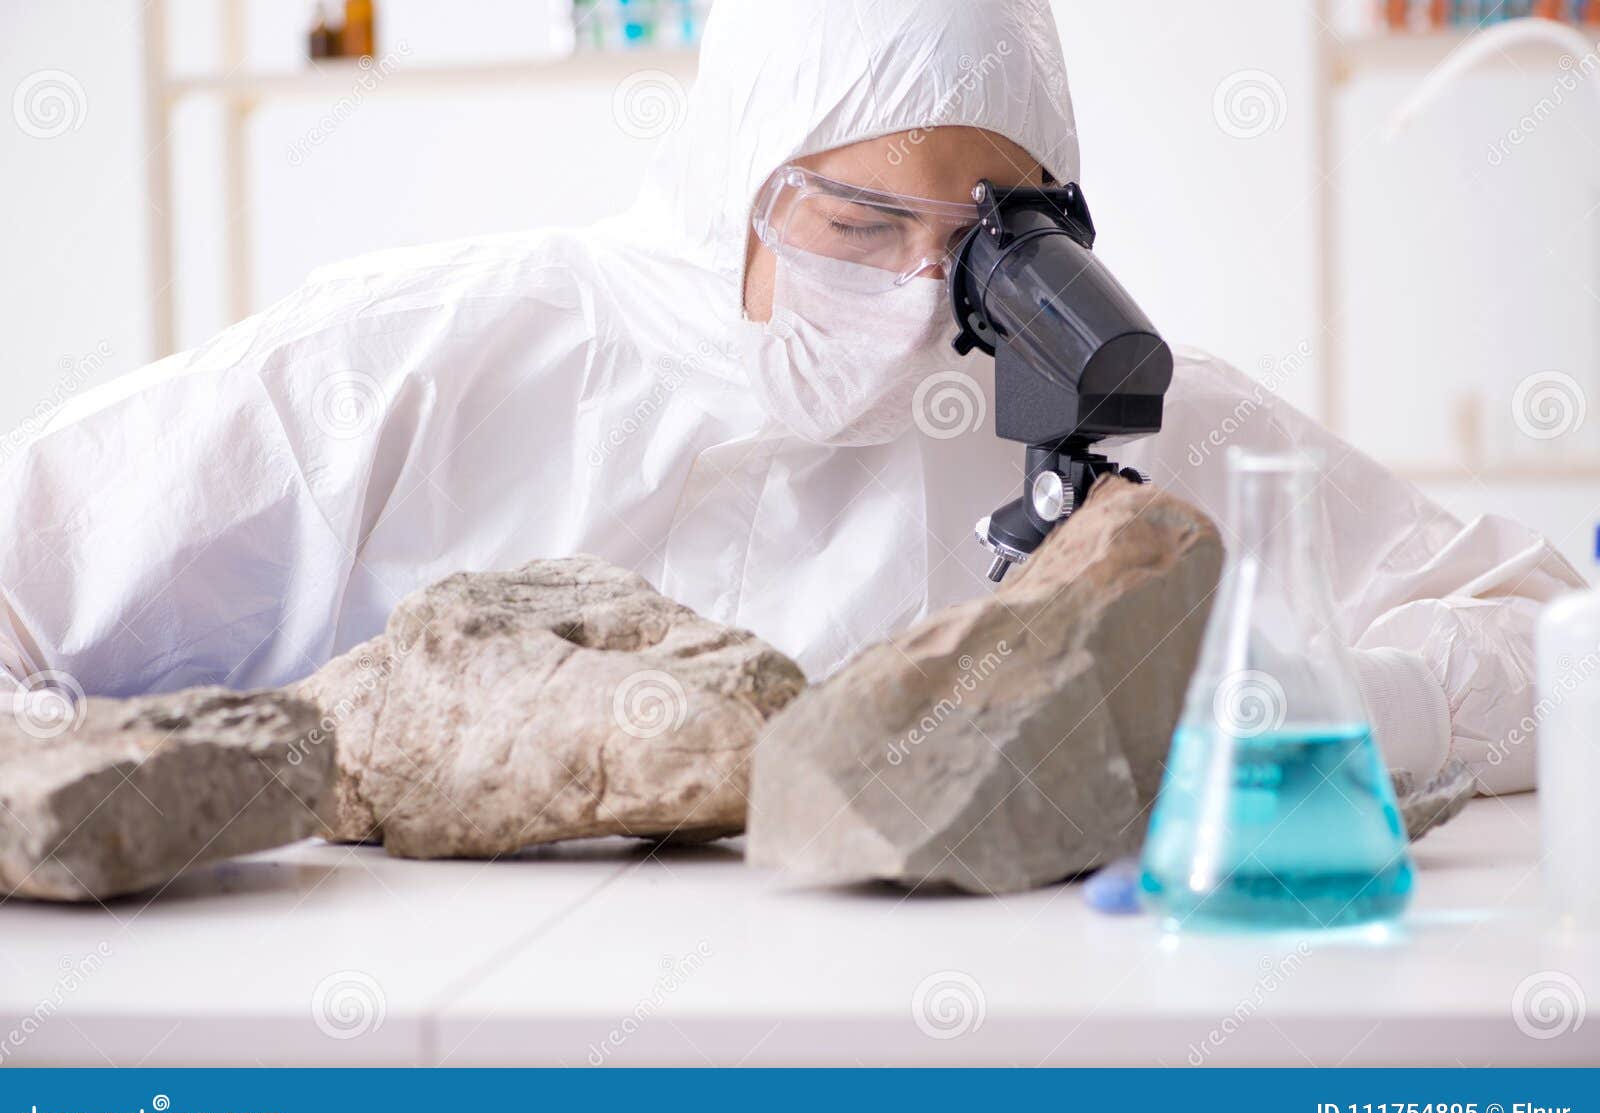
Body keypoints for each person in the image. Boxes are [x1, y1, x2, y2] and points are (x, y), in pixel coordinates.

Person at [0, 0, 1582, 799]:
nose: (917, 299)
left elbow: (1549, 638)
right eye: (858, 227)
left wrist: (1271, 711)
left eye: (985, 243)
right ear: (737, 190)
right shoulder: (423, 356)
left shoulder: (1124, 426)